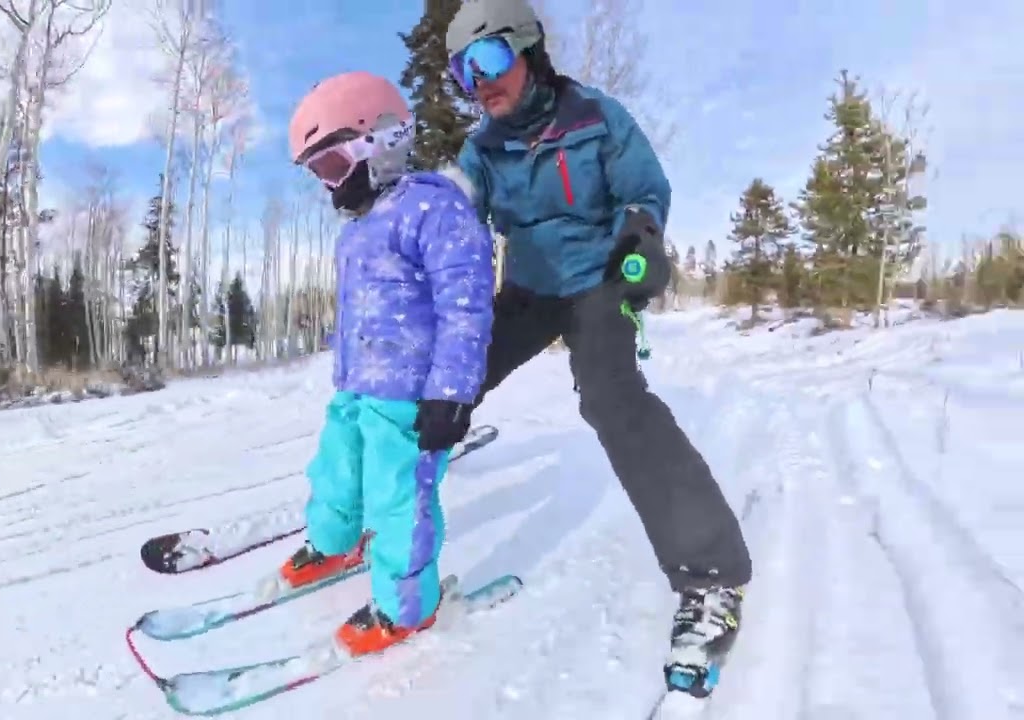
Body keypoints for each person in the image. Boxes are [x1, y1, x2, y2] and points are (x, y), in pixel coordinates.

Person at [441, 0, 752, 694]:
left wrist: (640, 234)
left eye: (488, 61)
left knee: (613, 400)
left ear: (528, 49)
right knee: (443, 376)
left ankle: (711, 578)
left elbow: (645, 186)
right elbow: (455, 211)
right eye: (463, 73)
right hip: (527, 289)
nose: (478, 83)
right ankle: (391, 504)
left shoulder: (594, 117)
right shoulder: (481, 151)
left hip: (596, 282)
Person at [277, 70, 496, 657]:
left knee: (400, 499)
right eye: (317, 173)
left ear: (378, 140)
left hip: (410, 397)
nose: (328, 186)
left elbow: (466, 305)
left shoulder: (432, 209)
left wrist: (452, 393)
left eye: (330, 165)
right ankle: (335, 542)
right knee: (337, 470)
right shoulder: (355, 231)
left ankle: (407, 608)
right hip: (356, 387)